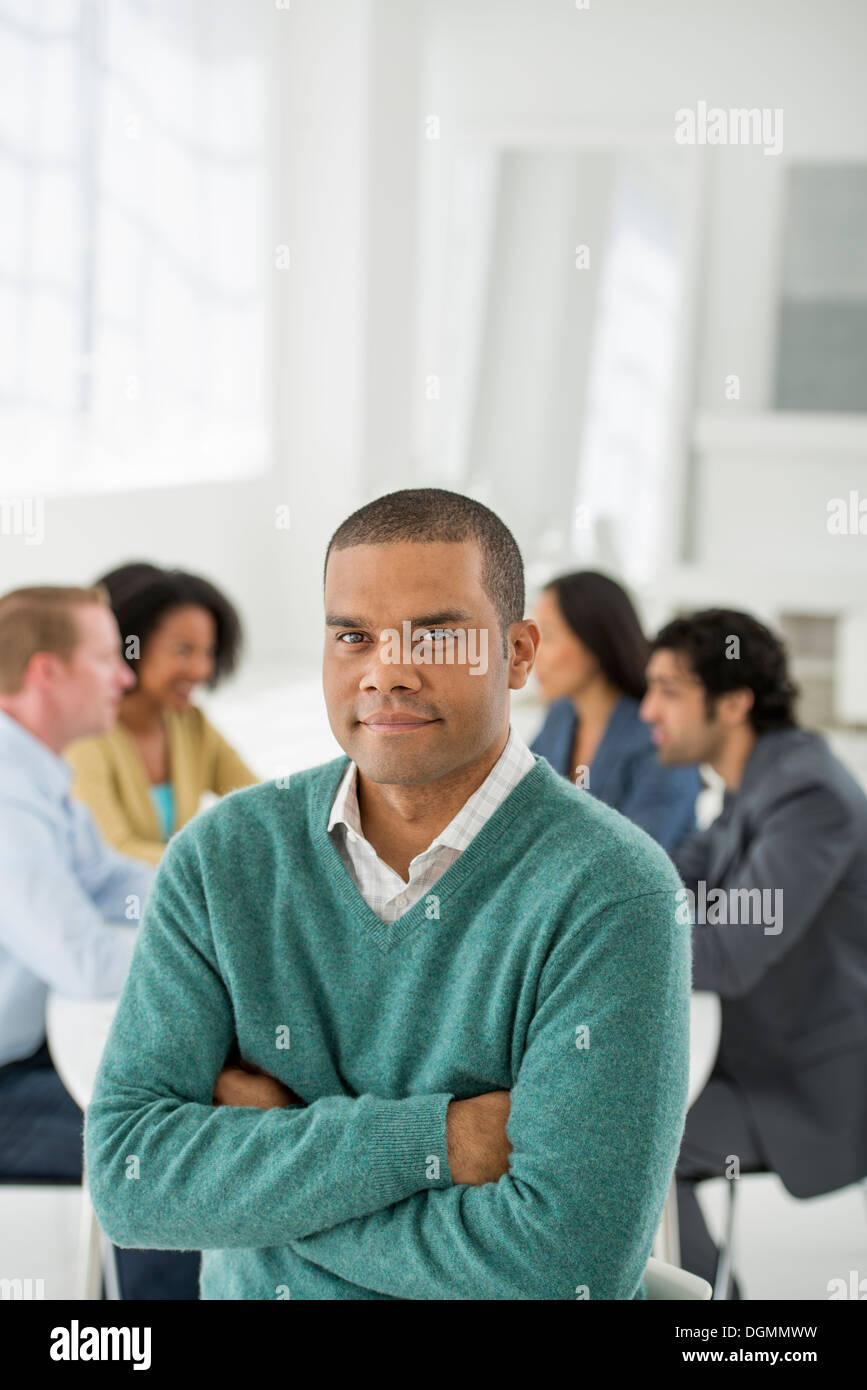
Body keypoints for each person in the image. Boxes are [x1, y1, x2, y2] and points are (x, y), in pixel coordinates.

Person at [85, 487, 690, 1301]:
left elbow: (564, 1268)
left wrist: (267, 1170)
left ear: (517, 654)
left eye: (437, 634)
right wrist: (436, 1140)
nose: (388, 671)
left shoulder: (612, 890)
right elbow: (131, 1181)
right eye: (354, 636)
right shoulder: (221, 858)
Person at [641, 608, 867, 1298]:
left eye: (668, 690)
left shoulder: (806, 794)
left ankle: (705, 1313)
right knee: (608, 1117)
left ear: (733, 702)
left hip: (805, 1080)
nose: (648, 710)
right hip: (749, 1048)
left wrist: (613, 948)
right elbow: (674, 876)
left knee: (629, 1138)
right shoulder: (754, 781)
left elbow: (731, 952)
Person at [0, 585, 200, 1299]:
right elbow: (84, 959)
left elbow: (110, 878)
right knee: (163, 1150)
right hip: (10, 1083)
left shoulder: (35, 771)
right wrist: (208, 956)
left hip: (29, 1055)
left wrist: (204, 907)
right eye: (106, 657)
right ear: (46, 672)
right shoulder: (5, 791)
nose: (124, 675)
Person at [65, 563, 257, 864]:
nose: (201, 669)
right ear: (129, 644)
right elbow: (113, 853)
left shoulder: (190, 723)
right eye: (183, 650)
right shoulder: (85, 734)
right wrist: (218, 867)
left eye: (208, 652)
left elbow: (260, 802)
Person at [531, 571, 701, 851]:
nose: (532, 651)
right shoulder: (561, 717)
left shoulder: (659, 737)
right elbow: (520, 810)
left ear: (594, 642)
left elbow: (640, 860)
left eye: (547, 636)